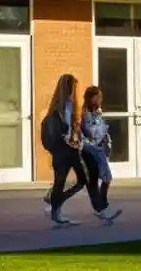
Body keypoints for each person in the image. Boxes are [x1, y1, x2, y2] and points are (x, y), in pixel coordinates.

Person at [42, 74, 102, 225]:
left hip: (71, 149)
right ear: (68, 88)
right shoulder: (58, 109)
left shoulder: (70, 105)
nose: (75, 90)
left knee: (81, 180)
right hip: (63, 150)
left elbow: (72, 128)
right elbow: (61, 130)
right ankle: (56, 210)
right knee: (60, 182)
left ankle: (55, 202)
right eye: (73, 87)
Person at [80, 86, 122, 222]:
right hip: (91, 150)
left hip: (98, 150)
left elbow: (101, 130)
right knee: (99, 179)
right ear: (91, 98)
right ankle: (102, 208)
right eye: (97, 97)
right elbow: (92, 132)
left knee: (101, 179)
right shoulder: (86, 114)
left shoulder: (95, 113)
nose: (100, 100)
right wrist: (98, 119)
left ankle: (102, 208)